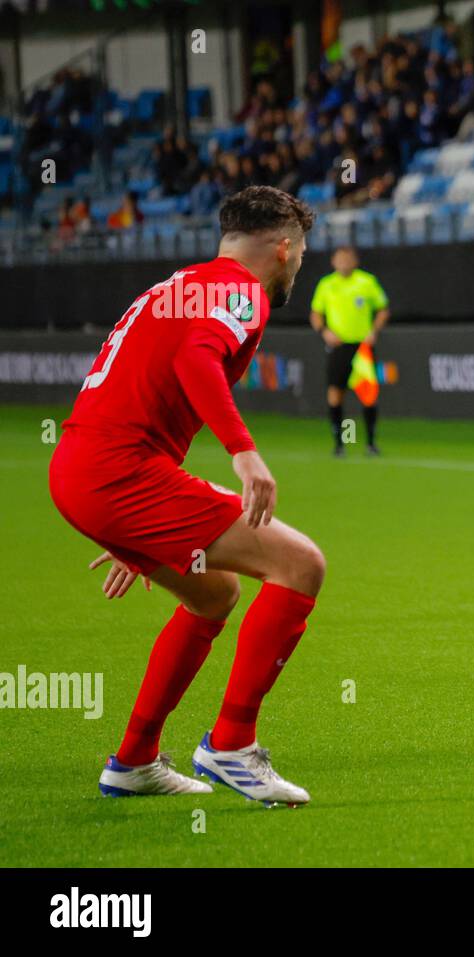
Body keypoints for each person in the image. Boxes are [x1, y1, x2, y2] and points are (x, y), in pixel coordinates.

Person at [48, 186, 324, 804]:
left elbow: (146, 382)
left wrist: (129, 527)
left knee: (214, 591)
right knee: (301, 563)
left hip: (83, 469)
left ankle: (135, 760)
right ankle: (231, 745)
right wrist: (244, 452)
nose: (300, 266)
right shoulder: (243, 291)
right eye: (302, 253)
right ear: (283, 248)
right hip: (117, 474)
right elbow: (196, 361)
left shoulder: (180, 284)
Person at [309, 245, 391, 456]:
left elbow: (383, 309)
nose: (344, 262)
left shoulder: (367, 281)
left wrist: (374, 331)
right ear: (333, 262)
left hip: (362, 347)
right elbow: (316, 313)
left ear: (355, 261)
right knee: (337, 394)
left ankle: (371, 443)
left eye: (348, 258)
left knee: (367, 394)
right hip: (338, 346)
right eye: (340, 258)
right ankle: (341, 443)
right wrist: (324, 331)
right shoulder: (327, 285)